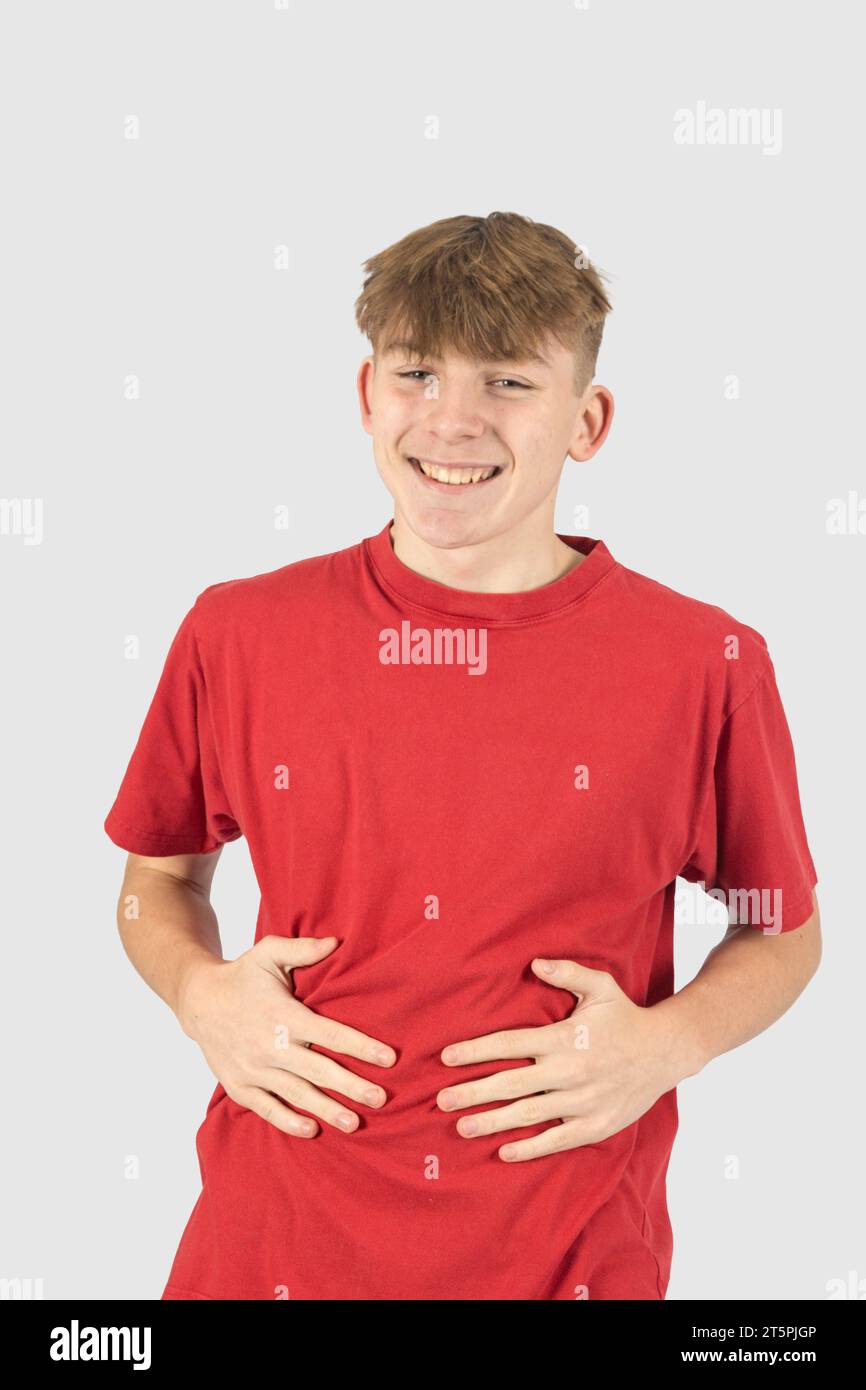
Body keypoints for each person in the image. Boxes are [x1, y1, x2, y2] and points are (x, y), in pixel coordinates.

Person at [104, 211, 821, 1301]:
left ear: (588, 420)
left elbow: (782, 931)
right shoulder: (237, 631)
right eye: (418, 373)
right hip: (271, 1246)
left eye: (507, 383)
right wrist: (201, 993)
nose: (452, 419)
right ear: (364, 396)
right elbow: (154, 882)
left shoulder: (704, 662)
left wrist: (667, 1044)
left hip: (567, 1254)